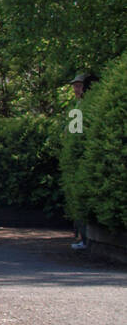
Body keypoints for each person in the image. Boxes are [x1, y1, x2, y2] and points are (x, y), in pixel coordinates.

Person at [70, 71, 97, 250]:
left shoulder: (82, 107)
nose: (76, 89)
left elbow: (75, 134)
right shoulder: (77, 106)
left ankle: (84, 239)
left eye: (79, 85)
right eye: (74, 86)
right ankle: (82, 237)